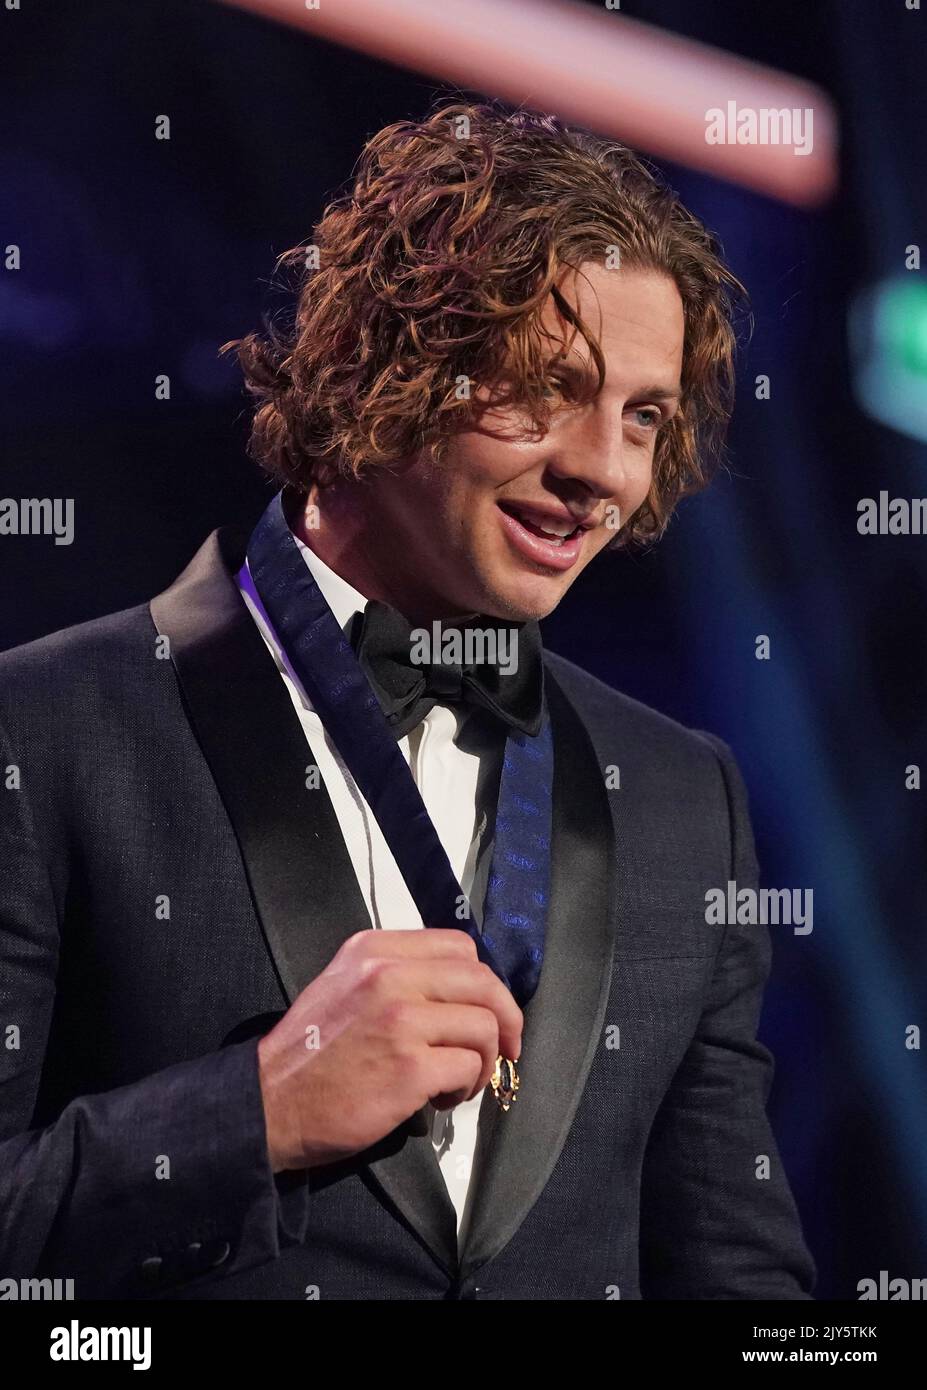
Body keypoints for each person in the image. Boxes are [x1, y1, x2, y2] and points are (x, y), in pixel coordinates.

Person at [0, 101, 815, 1300]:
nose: (603, 469)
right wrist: (255, 1111)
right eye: (549, 387)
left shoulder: (688, 797)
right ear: (387, 364)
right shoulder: (50, 727)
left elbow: (742, 1280)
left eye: (642, 415)